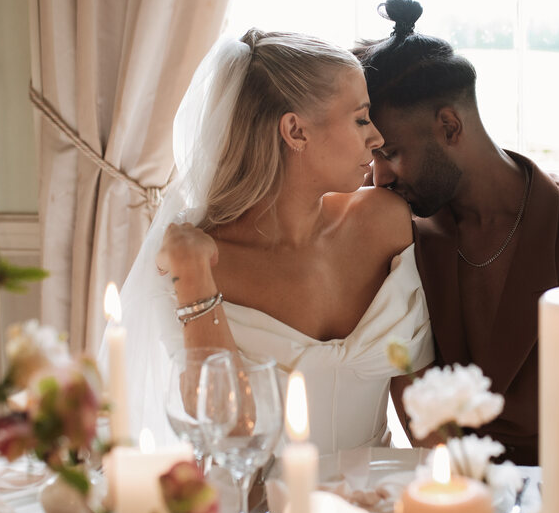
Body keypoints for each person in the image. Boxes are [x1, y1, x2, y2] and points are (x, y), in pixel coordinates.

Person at [354, 0, 559, 466]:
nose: (379, 179)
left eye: (392, 154)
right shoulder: (400, 241)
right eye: (372, 159)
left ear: (449, 125)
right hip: (454, 505)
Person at [114, 29, 433, 454]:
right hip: (258, 512)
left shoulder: (386, 224)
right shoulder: (188, 260)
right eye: (360, 119)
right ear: (295, 132)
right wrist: (194, 279)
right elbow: (227, 428)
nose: (376, 138)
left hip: (374, 504)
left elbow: (421, 403)